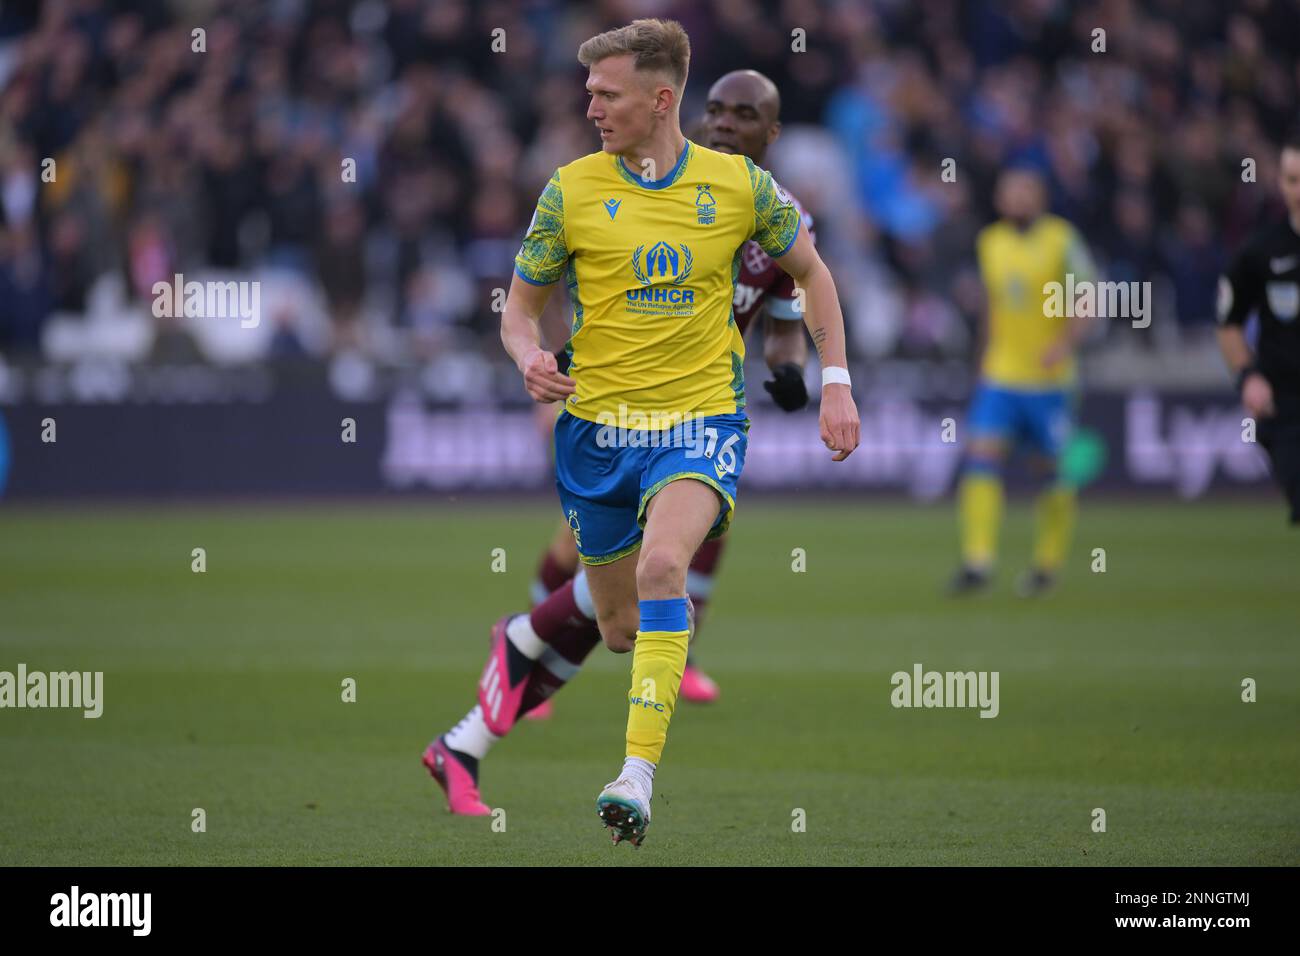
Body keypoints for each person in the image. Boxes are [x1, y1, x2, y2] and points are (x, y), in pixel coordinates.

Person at [424, 19, 859, 847]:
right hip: (598, 428)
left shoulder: (742, 192)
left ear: (661, 99)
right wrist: (529, 360)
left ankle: (635, 779)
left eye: (605, 93)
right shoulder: (570, 191)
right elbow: (517, 310)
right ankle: (504, 671)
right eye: (588, 93)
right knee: (618, 626)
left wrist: (832, 383)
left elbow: (810, 278)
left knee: (668, 567)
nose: (589, 107)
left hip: (699, 421)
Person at [522, 67, 817, 718]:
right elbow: (555, 274)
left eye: (743, 114)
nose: (723, 124)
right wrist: (548, 364)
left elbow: (788, 322)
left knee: (702, 527)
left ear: (772, 132)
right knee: (586, 547)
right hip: (614, 393)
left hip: (703, 403)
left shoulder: (782, 219)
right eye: (714, 109)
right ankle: (525, 646)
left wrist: (793, 370)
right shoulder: (654, 182)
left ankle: (680, 654)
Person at [949, 166, 1096, 597]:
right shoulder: (990, 242)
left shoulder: (1062, 239)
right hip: (1001, 374)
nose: (1017, 200)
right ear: (999, 199)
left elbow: (1088, 297)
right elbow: (992, 310)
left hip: (1050, 381)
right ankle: (978, 562)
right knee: (980, 459)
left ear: (1040, 197)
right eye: (1009, 193)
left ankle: (1046, 566)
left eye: (1025, 192)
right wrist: (980, 363)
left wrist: (1065, 343)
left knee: (1051, 473)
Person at [1216, 131, 1300, 525]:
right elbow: (1229, 324)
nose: (1297, 190)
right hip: (1287, 407)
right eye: (1291, 179)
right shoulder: (1260, 251)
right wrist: (1248, 376)